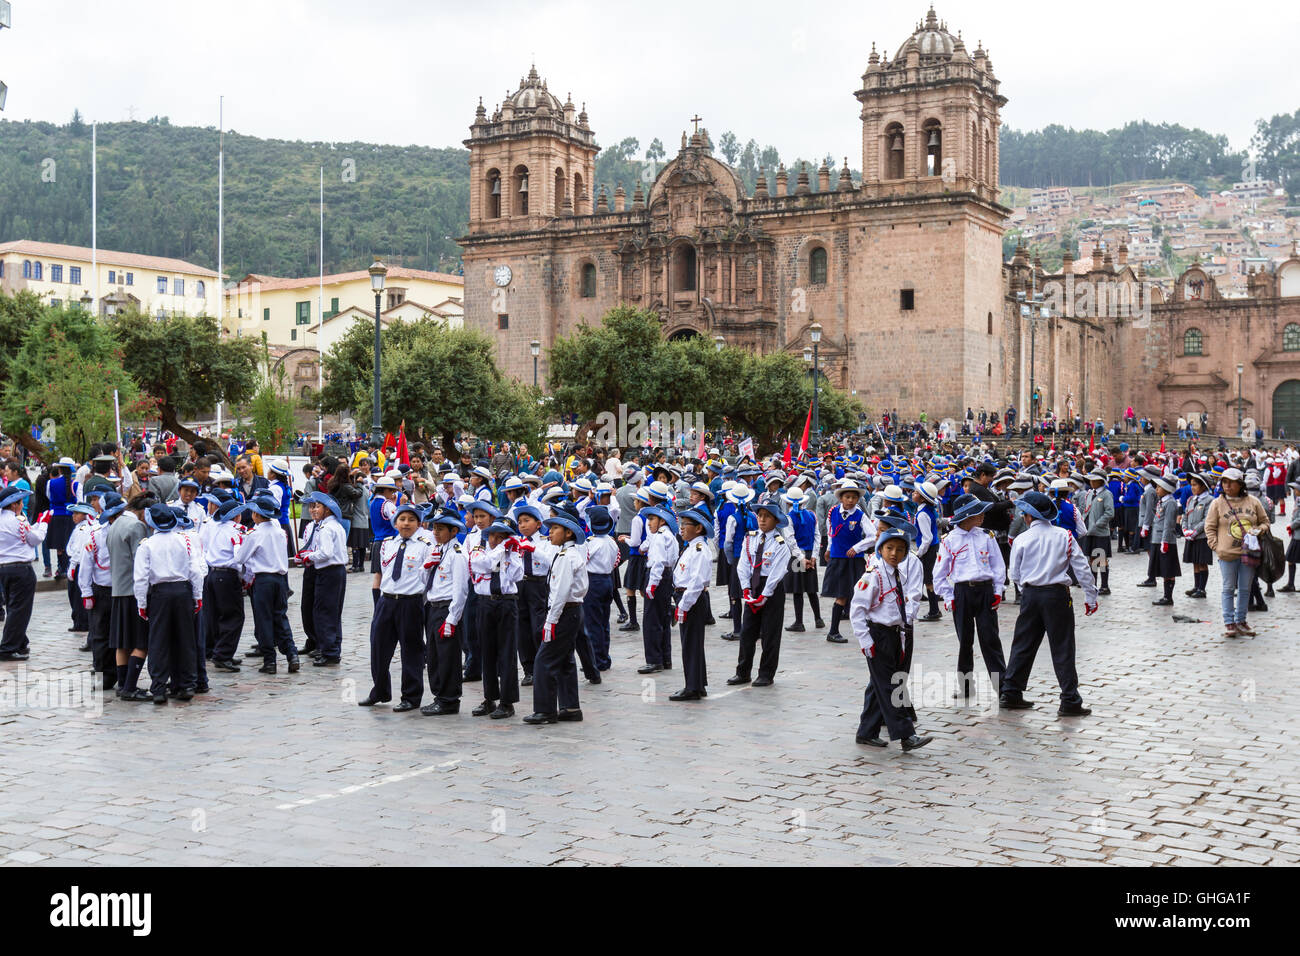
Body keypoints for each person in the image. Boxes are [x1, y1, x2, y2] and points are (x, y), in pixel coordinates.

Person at [1002, 491, 1098, 717]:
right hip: (1057, 595)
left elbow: (1014, 573)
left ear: (1027, 517)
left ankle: (1011, 692)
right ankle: (1069, 699)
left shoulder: (1022, 539)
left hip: (1031, 594)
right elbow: (1082, 567)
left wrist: (1027, 588)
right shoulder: (1064, 535)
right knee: (1063, 646)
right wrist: (1090, 595)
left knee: (1023, 644)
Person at [849, 525, 931, 751]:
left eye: (900, 549)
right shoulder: (873, 576)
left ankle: (866, 732)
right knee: (890, 686)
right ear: (880, 549)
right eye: (890, 548)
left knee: (879, 685)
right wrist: (865, 641)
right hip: (878, 636)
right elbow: (857, 610)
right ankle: (906, 735)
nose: (895, 553)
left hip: (895, 635)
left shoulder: (897, 574)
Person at [932, 493, 1006, 702]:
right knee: (965, 641)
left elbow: (998, 565)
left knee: (990, 639)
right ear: (966, 516)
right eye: (977, 513)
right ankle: (965, 686)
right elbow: (939, 574)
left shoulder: (986, 536)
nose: (982, 516)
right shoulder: (949, 541)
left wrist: (998, 590)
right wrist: (948, 597)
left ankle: (1003, 687)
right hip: (962, 593)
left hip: (985, 591)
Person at [360, 503, 433, 712]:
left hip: (411, 602)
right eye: (402, 519)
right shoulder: (387, 544)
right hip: (387, 600)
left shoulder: (425, 545)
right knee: (378, 647)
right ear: (395, 522)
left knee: (411, 650)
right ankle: (380, 690)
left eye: (411, 519)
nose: (406, 523)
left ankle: (411, 696)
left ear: (419, 523)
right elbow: (382, 572)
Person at [133, 503, 206, 703]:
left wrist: (141, 603)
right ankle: (187, 684)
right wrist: (197, 597)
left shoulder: (146, 545)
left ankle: (158, 688)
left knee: (158, 641)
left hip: (160, 594)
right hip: (183, 591)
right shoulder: (184, 541)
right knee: (186, 639)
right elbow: (195, 571)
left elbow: (140, 578)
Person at [525, 504, 588, 725]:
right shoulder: (566, 553)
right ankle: (570, 706)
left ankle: (545, 710)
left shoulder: (565, 557)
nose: (550, 533)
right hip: (571, 612)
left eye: (555, 529)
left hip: (564, 612)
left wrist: (551, 621)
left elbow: (560, 592)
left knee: (544, 660)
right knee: (565, 660)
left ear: (568, 533)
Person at [727, 498, 793, 688]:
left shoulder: (780, 544)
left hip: (771, 588)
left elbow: (777, 573)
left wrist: (765, 595)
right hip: (753, 585)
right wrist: (746, 589)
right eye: (760, 515)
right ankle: (742, 671)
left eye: (767, 516)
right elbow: (743, 565)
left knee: (770, 633)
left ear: (776, 520)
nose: (762, 520)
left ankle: (766, 673)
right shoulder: (750, 538)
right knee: (747, 631)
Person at [235, 493, 298, 673]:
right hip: (280, 579)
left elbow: (240, 558)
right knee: (281, 617)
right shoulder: (280, 532)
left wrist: (238, 545)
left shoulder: (255, 534)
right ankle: (291, 654)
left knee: (264, 619)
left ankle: (270, 660)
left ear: (256, 515)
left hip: (263, 580)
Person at [467, 515, 523, 720]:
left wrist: (512, 553)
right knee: (486, 651)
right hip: (484, 601)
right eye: (493, 535)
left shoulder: (512, 553)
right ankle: (489, 697)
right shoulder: (482, 551)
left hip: (506, 601)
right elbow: (482, 565)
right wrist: (501, 550)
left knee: (507, 652)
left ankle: (507, 701)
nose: (496, 540)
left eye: (502, 537)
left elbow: (517, 576)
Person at [1204, 468, 1270, 638]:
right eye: (1224, 482)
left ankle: (1241, 620)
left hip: (1249, 552)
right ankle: (1229, 622)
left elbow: (1265, 522)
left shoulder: (1253, 502)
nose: (1227, 486)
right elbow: (1209, 527)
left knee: (1245, 588)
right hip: (1227, 554)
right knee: (1227, 588)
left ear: (1240, 484)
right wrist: (1216, 546)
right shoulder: (1217, 503)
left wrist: (1259, 530)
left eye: (1231, 482)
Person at [421, 506, 469, 715]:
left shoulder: (457, 554)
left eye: (441, 528)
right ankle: (439, 695)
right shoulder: (439, 550)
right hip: (433, 607)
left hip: (446, 609)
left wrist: (452, 618)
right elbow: (425, 583)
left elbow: (460, 589)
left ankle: (449, 698)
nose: (435, 532)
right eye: (434, 528)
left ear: (453, 531)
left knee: (447, 655)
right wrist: (427, 566)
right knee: (434, 655)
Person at [296, 492, 348, 665]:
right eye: (312, 507)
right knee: (332, 612)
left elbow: (326, 553)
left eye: (317, 506)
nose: (313, 510)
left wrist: (308, 556)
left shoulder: (327, 528)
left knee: (324, 612)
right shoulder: (334, 525)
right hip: (336, 571)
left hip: (328, 571)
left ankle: (329, 651)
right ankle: (332, 648)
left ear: (327, 509)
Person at [77, 495, 122, 688]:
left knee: (121, 634)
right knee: (100, 634)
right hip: (102, 590)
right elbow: (86, 564)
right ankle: (104, 673)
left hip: (122, 590)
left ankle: (122, 673)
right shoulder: (96, 534)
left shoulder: (129, 530)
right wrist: (86, 591)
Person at [670, 505, 714, 701]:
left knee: (691, 644)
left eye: (686, 524)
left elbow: (696, 582)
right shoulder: (691, 547)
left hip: (691, 599)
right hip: (687, 597)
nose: (681, 528)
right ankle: (697, 683)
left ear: (698, 528)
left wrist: (684, 605)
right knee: (691, 643)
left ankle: (693, 686)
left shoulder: (699, 549)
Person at [0, 485, 48, 661]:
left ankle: (19, 642)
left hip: (4, 568)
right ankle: (8, 647)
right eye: (20, 502)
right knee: (20, 610)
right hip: (21, 569)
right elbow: (34, 539)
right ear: (14, 505)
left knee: (13, 607)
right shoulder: (18, 520)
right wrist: (43, 524)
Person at [822, 481, 872, 644]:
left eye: (854, 497)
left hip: (854, 561)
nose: (850, 500)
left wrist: (857, 548)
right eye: (847, 497)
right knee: (841, 595)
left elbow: (872, 536)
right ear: (841, 498)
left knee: (861, 594)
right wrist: (829, 549)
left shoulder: (860, 515)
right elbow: (831, 533)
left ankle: (866, 628)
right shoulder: (833, 512)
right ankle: (833, 631)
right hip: (838, 558)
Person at [202, 498, 247, 671]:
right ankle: (223, 654)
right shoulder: (235, 531)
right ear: (236, 516)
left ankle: (217, 650)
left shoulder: (215, 528)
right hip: (227, 575)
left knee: (215, 615)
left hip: (212, 573)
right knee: (233, 616)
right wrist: (243, 575)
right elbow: (239, 556)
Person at [638, 504, 680, 675]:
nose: (649, 523)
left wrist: (651, 585)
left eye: (651, 519)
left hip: (658, 577)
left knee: (651, 620)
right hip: (667, 577)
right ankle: (665, 658)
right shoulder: (669, 535)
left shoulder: (659, 537)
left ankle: (654, 660)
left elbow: (658, 562)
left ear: (662, 520)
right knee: (663, 618)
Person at [582, 505, 619, 674]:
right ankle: (605, 657)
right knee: (604, 622)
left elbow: (582, 562)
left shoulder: (590, 543)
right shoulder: (611, 542)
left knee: (593, 622)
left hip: (593, 581)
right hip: (607, 580)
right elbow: (616, 561)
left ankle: (597, 659)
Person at [782, 489, 823, 633]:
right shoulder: (811, 515)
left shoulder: (789, 518)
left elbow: (791, 540)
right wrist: (814, 555)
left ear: (788, 502)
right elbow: (817, 535)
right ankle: (818, 619)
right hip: (810, 553)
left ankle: (799, 622)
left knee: (798, 589)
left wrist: (800, 558)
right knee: (811, 587)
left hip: (797, 555)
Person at [64, 502, 97, 638]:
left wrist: (73, 565)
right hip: (75, 562)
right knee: (73, 594)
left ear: (85, 515)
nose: (74, 516)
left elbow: (79, 548)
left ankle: (81, 622)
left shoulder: (84, 528)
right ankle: (78, 620)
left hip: (78, 563)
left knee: (78, 594)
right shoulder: (79, 527)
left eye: (77, 513)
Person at [1181, 473, 1215, 599]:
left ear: (1203, 486)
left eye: (1195, 485)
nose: (1192, 487)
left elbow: (1207, 519)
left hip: (1202, 537)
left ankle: (1202, 589)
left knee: (1202, 562)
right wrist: (1185, 529)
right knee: (1195, 561)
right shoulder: (1191, 499)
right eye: (1191, 485)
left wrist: (1195, 531)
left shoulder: (1209, 500)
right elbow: (1185, 515)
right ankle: (1196, 586)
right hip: (1190, 536)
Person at [1149, 476, 1182, 606]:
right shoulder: (1162, 501)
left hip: (1166, 540)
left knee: (1168, 569)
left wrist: (1165, 541)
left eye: (1159, 487)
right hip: (1158, 539)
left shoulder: (1170, 503)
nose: (1157, 489)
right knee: (1163, 569)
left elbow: (1168, 524)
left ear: (1167, 489)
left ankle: (1168, 597)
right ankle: (1165, 596)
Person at [1081, 470, 1115, 595]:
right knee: (1093, 558)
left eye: (1094, 480)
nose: (1091, 482)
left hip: (1100, 532)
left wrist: (1098, 523)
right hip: (1090, 531)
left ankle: (1105, 586)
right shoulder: (1090, 494)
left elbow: (1109, 512)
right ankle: (1094, 584)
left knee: (1102, 558)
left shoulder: (1106, 494)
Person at [1280, 481, 1300, 593]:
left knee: (1291, 559)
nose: (1295, 491)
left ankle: (1291, 584)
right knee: (1291, 560)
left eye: (1296, 489)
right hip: (1296, 535)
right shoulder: (1298, 500)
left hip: (1298, 536)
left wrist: (1291, 526)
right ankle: (1290, 584)